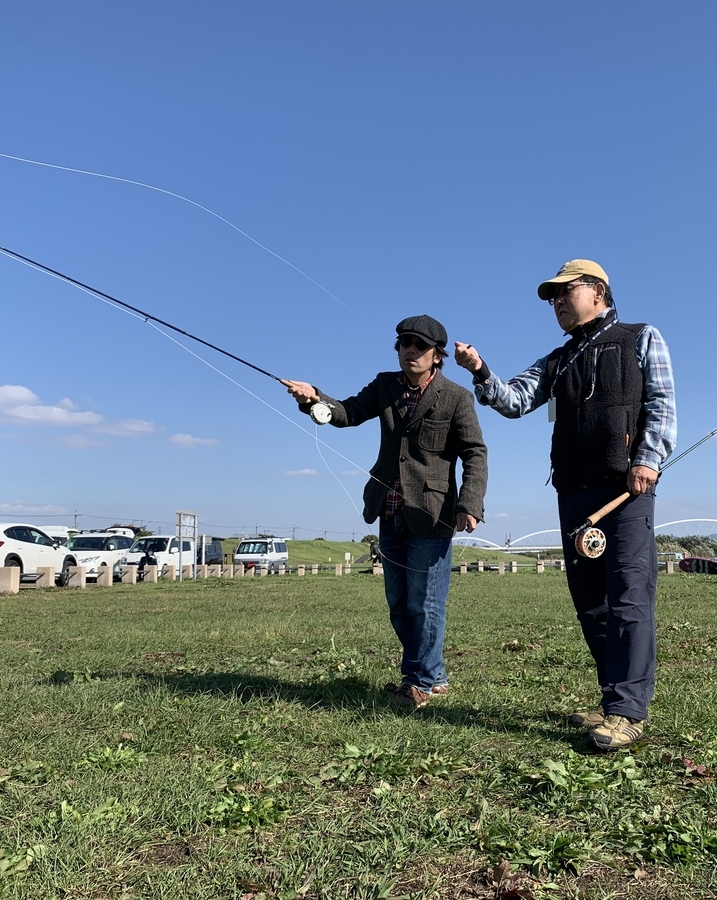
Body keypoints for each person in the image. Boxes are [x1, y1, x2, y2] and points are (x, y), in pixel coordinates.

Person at [454, 260, 676, 750]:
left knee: (629, 597)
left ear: (597, 291)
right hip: (573, 493)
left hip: (626, 489)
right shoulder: (556, 360)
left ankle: (626, 712)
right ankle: (610, 697)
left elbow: (661, 401)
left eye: (564, 291)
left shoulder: (640, 337)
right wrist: (480, 370)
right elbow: (512, 401)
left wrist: (648, 460)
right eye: (551, 296)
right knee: (591, 603)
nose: (556, 302)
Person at [286, 315, 488, 709]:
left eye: (419, 346)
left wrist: (470, 503)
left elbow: (475, 453)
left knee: (425, 602)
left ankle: (419, 682)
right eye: (403, 344)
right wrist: (314, 399)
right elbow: (346, 413)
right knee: (399, 602)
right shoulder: (384, 385)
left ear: (437, 356)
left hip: (432, 515)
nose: (409, 351)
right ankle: (434, 673)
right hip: (388, 511)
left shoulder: (456, 397)